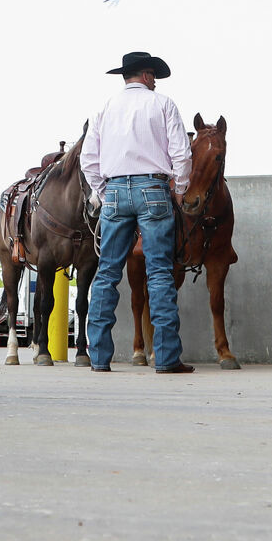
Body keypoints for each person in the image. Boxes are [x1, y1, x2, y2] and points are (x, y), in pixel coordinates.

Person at [81, 51, 193, 374]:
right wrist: (181, 189)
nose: (155, 81)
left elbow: (88, 160)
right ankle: (167, 358)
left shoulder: (104, 108)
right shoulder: (163, 104)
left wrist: (106, 193)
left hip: (114, 190)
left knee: (106, 275)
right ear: (145, 76)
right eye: (153, 75)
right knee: (159, 273)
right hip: (153, 190)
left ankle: (99, 358)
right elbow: (181, 155)